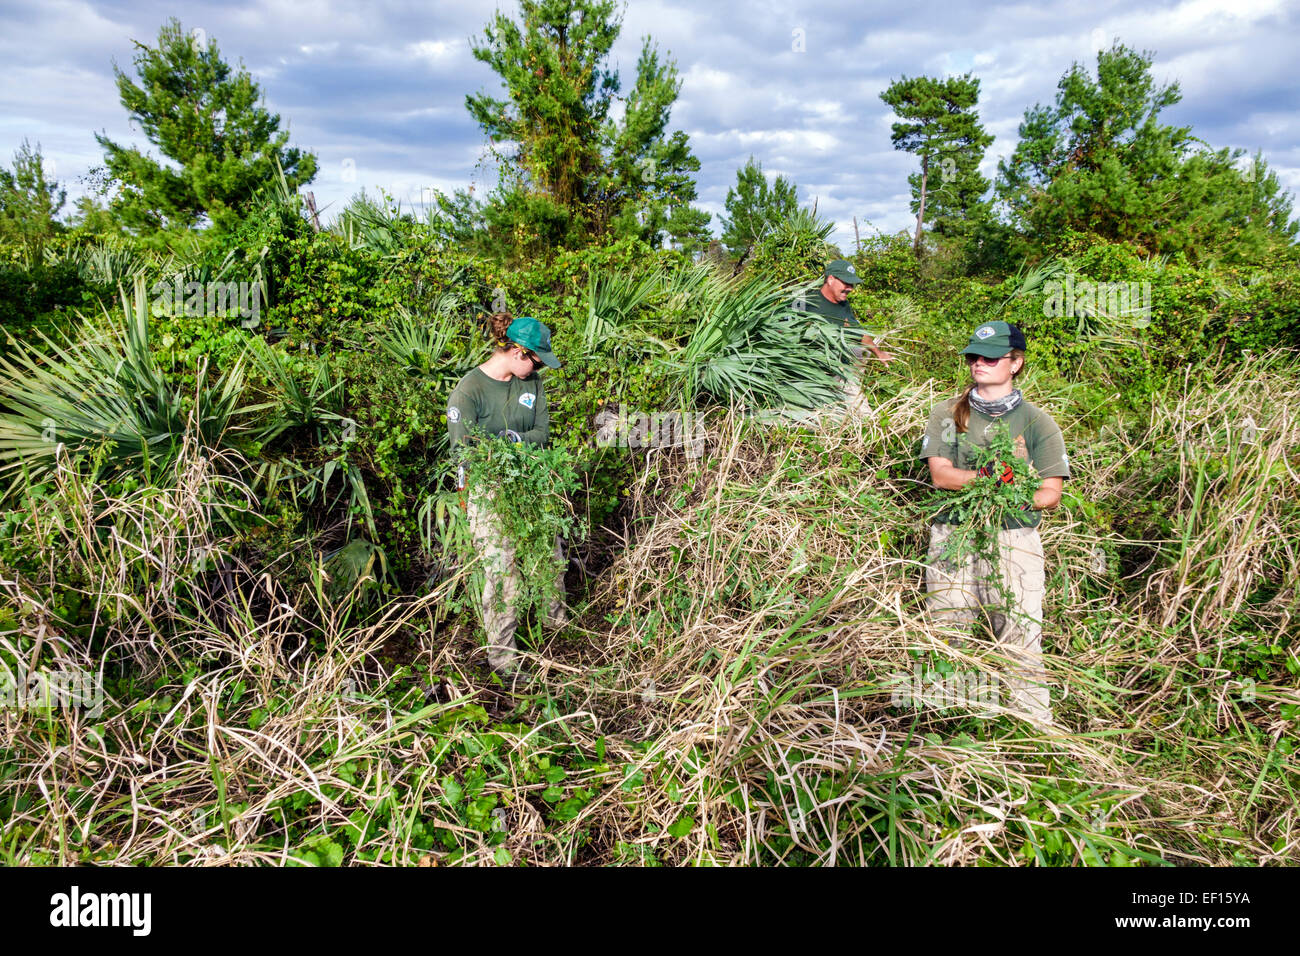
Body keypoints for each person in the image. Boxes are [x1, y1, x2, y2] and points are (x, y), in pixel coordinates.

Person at [918, 320, 1070, 727]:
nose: (978, 364)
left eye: (989, 357)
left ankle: (1033, 733)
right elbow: (942, 476)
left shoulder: (1038, 422)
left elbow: (1050, 493)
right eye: (973, 357)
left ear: (1015, 363)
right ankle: (950, 727)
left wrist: (1012, 494)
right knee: (948, 628)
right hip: (954, 534)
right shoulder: (947, 414)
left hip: (1013, 536)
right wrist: (990, 480)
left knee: (1020, 635)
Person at [446, 312, 567, 677]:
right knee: (503, 574)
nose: (538, 368)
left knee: (551, 559)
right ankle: (503, 661)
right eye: (535, 360)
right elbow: (464, 453)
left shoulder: (532, 383)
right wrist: (492, 463)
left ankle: (559, 633)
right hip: (489, 490)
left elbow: (542, 433)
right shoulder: (469, 391)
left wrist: (512, 442)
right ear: (517, 352)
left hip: (531, 482)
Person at [797, 259, 895, 364]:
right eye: (846, 283)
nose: (850, 289)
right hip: (808, 371)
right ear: (830, 280)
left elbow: (858, 333)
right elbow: (781, 328)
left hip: (835, 370)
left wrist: (879, 353)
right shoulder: (803, 300)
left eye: (852, 284)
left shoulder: (844, 304)